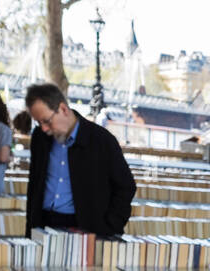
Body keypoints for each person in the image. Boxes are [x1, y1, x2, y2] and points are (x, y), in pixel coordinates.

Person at [23, 82, 136, 236]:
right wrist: (30, 226)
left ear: (63, 109)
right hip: (42, 225)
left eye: (47, 121)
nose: (44, 128)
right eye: (39, 122)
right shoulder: (40, 137)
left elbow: (126, 186)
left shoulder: (101, 140)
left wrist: (110, 227)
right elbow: (35, 184)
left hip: (85, 228)